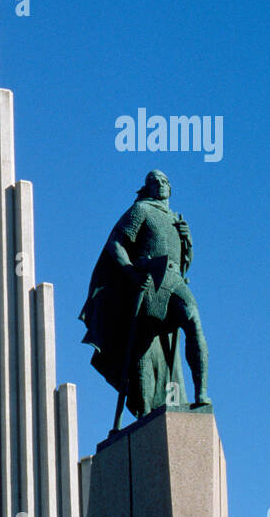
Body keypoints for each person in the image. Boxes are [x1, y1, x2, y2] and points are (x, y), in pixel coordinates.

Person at [80, 170, 210, 421]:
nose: (160, 184)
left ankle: (201, 393)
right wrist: (130, 272)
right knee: (143, 343)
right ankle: (146, 409)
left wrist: (187, 242)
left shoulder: (175, 219)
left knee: (193, 320)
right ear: (147, 188)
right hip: (150, 277)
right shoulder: (141, 210)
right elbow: (115, 243)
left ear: (170, 189)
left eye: (164, 181)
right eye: (154, 181)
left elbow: (184, 265)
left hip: (173, 279)